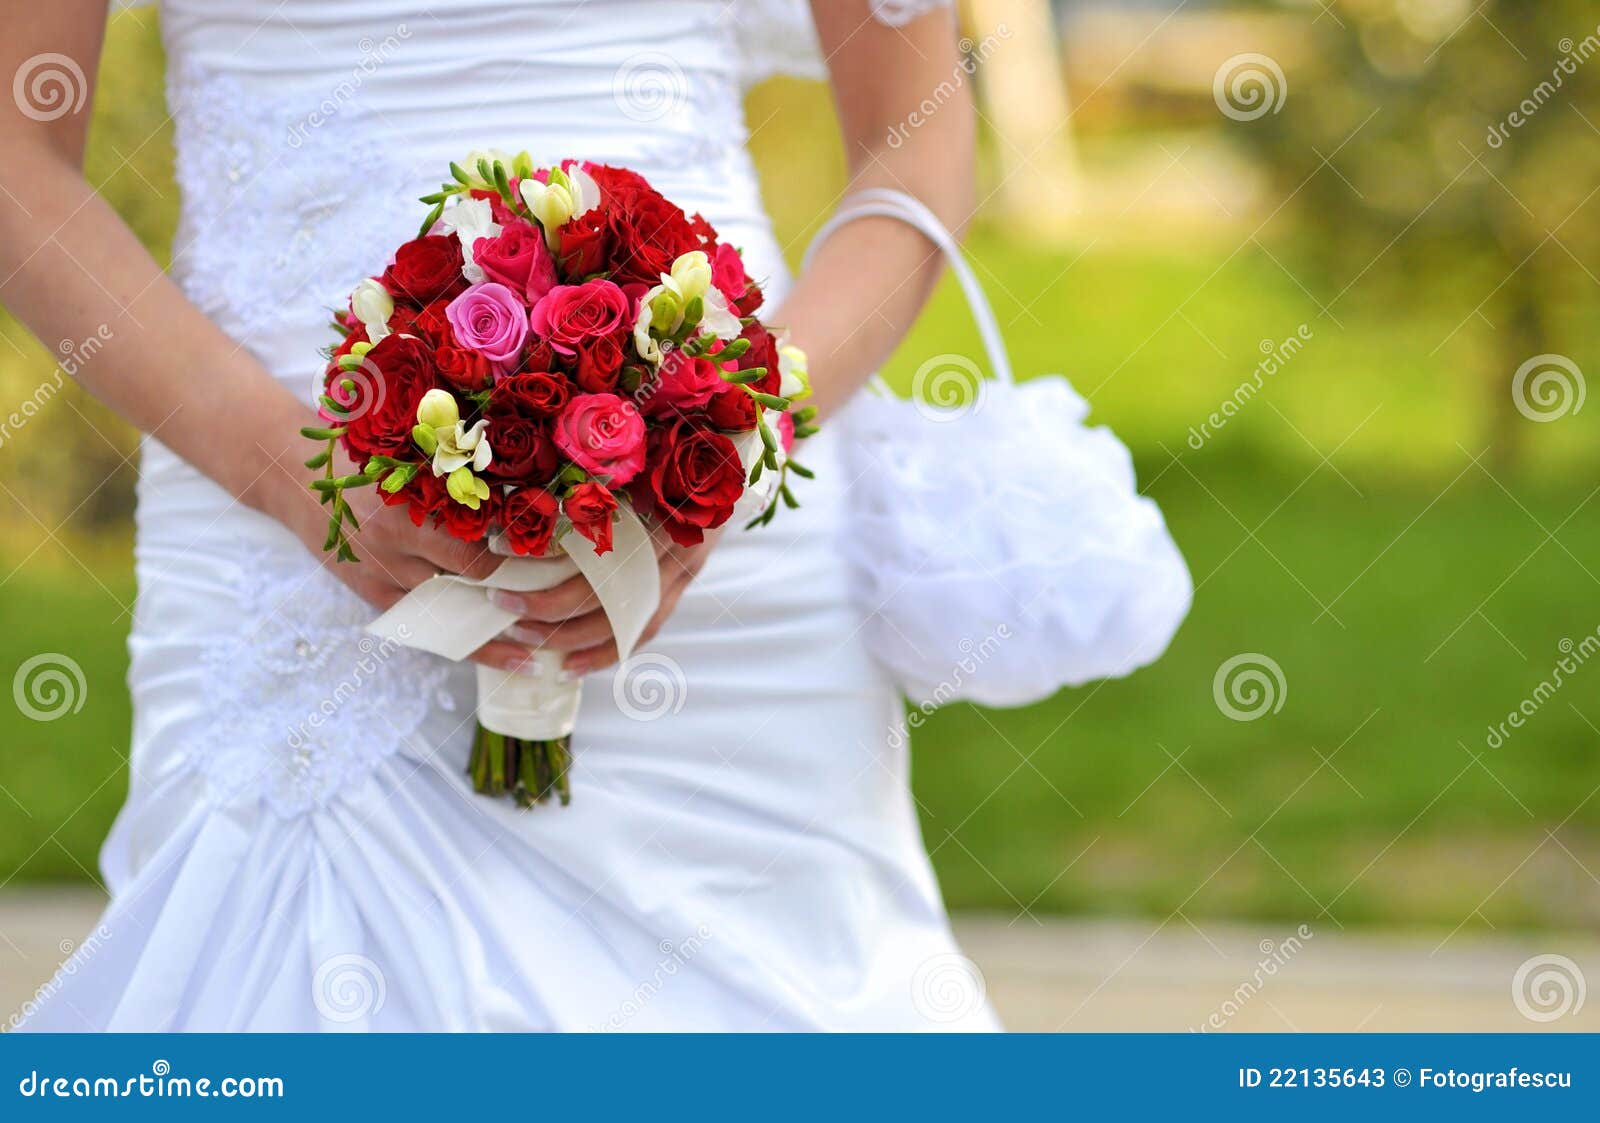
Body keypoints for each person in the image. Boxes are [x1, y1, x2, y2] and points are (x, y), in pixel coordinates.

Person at [1, 0, 1000, 1029]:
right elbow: (14, 152)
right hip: (282, 539)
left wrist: (734, 435)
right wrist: (296, 475)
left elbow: (914, 136)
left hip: (720, 564)